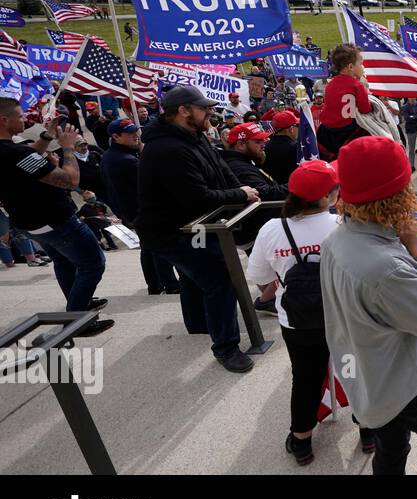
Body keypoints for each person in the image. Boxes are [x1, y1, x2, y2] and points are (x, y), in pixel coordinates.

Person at [321, 136, 417, 475]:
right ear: (397, 194)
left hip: (368, 376)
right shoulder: (384, 268)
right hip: (415, 384)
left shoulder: (335, 239)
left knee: (390, 453)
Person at [245, 160, 374, 464]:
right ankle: (368, 430)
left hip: (298, 321)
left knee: (305, 377)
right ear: (330, 196)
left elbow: (259, 276)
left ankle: (302, 440)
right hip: (345, 317)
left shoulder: (272, 229)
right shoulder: (345, 225)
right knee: (354, 371)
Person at [136, 85, 261, 372]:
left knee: (195, 278)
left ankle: (198, 326)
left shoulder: (194, 135)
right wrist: (239, 195)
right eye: (204, 108)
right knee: (219, 278)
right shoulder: (165, 149)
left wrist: (243, 189)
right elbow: (197, 197)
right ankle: (226, 347)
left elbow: (221, 170)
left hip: (194, 226)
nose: (210, 112)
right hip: (173, 232)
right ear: (183, 111)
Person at [0, 99, 112, 333]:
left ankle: (79, 302)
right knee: (93, 264)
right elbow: (70, 181)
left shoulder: (11, 151)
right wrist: (67, 148)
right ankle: (76, 322)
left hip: (30, 223)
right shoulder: (15, 152)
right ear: (4, 120)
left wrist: (47, 136)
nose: (24, 119)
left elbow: (26, 156)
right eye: (20, 116)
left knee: (63, 261)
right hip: (56, 221)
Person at [99, 117, 180, 295]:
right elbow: (151, 185)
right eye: (129, 133)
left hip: (130, 211)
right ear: (116, 136)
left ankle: (155, 285)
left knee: (148, 248)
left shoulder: (110, 156)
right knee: (159, 247)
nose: (136, 135)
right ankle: (171, 284)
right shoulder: (127, 160)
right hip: (142, 210)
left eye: (135, 131)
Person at [318, 44, 372, 159]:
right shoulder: (357, 85)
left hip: (327, 132)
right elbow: (365, 109)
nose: (363, 67)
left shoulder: (330, 84)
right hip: (348, 131)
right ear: (351, 67)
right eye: (361, 64)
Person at [264, 110, 301, 185]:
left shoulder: (265, 146)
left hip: (274, 189)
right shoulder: (295, 147)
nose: (298, 129)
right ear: (291, 129)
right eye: (297, 125)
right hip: (292, 189)